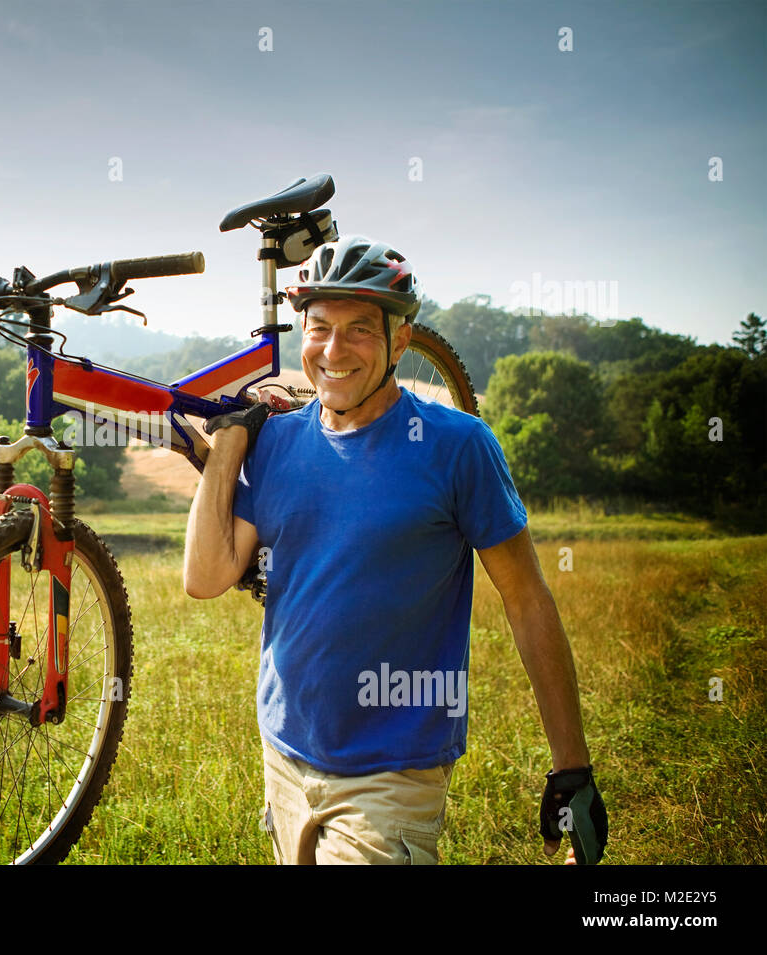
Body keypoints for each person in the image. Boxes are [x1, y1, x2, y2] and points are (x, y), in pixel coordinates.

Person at [182, 236, 607, 865]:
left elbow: (527, 600)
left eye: (359, 330)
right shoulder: (276, 444)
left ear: (400, 340)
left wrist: (572, 767)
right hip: (285, 754)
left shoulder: (457, 446)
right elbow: (206, 576)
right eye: (320, 327)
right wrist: (228, 456)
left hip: (392, 775)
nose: (333, 350)